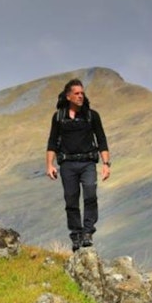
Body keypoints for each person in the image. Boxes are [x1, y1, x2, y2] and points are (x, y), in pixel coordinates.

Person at [45, 79, 110, 251]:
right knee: (71, 199)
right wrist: (50, 165)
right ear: (68, 96)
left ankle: (88, 232)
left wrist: (106, 163)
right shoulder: (58, 117)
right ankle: (76, 235)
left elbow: (101, 139)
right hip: (68, 165)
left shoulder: (92, 116)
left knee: (90, 194)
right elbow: (52, 142)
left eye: (82, 93)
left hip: (88, 163)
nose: (81, 96)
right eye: (77, 93)